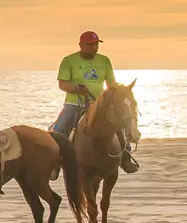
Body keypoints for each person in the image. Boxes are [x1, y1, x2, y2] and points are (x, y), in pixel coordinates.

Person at [52, 30, 138, 173]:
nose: (94, 47)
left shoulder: (104, 61)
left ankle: (126, 157)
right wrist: (76, 88)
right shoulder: (69, 61)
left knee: (120, 126)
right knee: (59, 128)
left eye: (96, 44)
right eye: (90, 44)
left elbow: (112, 85)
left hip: (100, 105)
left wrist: (120, 93)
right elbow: (62, 84)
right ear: (81, 45)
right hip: (74, 104)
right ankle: (54, 163)